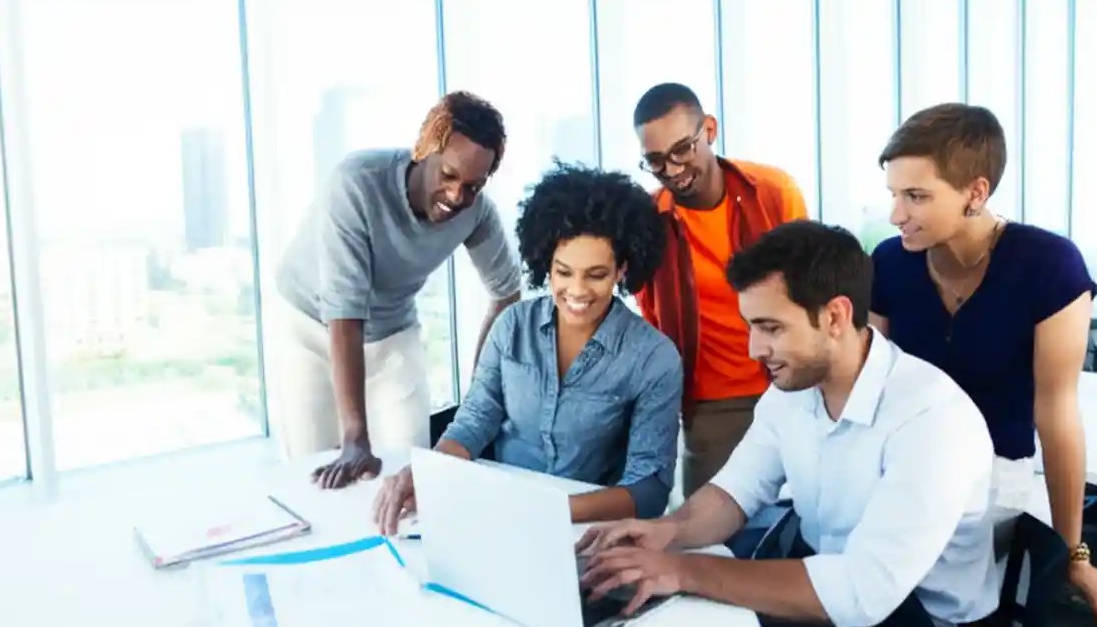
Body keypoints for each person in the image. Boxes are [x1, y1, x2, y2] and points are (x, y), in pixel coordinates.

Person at [578, 221, 997, 627]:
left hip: (912, 620)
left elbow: (863, 592)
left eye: (771, 328)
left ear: (835, 316)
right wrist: (668, 531)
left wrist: (682, 569)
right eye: (751, 327)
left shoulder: (932, 419)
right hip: (826, 584)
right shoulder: (794, 390)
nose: (754, 350)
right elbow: (736, 490)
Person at [870, 102, 1097, 627]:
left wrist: (1074, 555)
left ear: (976, 192)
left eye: (916, 196)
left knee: (971, 619)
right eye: (894, 195)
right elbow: (874, 390)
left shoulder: (1048, 266)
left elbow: (1057, 417)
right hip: (904, 478)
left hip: (996, 488)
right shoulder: (889, 261)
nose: (896, 214)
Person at [372, 163, 682, 533]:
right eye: (564, 272)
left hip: (587, 528)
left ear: (621, 270)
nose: (578, 291)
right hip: (500, 515)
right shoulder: (512, 327)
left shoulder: (653, 358)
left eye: (596, 274)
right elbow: (474, 421)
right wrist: (426, 474)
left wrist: (545, 511)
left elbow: (649, 490)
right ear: (546, 266)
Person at [273, 91, 522, 490]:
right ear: (423, 150)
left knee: (413, 475)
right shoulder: (356, 183)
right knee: (316, 475)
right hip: (313, 330)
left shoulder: (477, 213)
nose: (458, 197)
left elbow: (507, 293)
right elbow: (345, 310)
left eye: (474, 186)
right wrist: (355, 436)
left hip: (392, 335)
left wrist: (481, 392)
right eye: (449, 176)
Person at [632, 82, 809, 497]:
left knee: (803, 524)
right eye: (656, 161)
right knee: (708, 534)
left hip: (792, 386)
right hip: (712, 406)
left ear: (709, 130)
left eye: (682, 150)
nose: (673, 169)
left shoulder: (773, 191)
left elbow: (809, 286)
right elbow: (652, 317)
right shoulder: (650, 221)